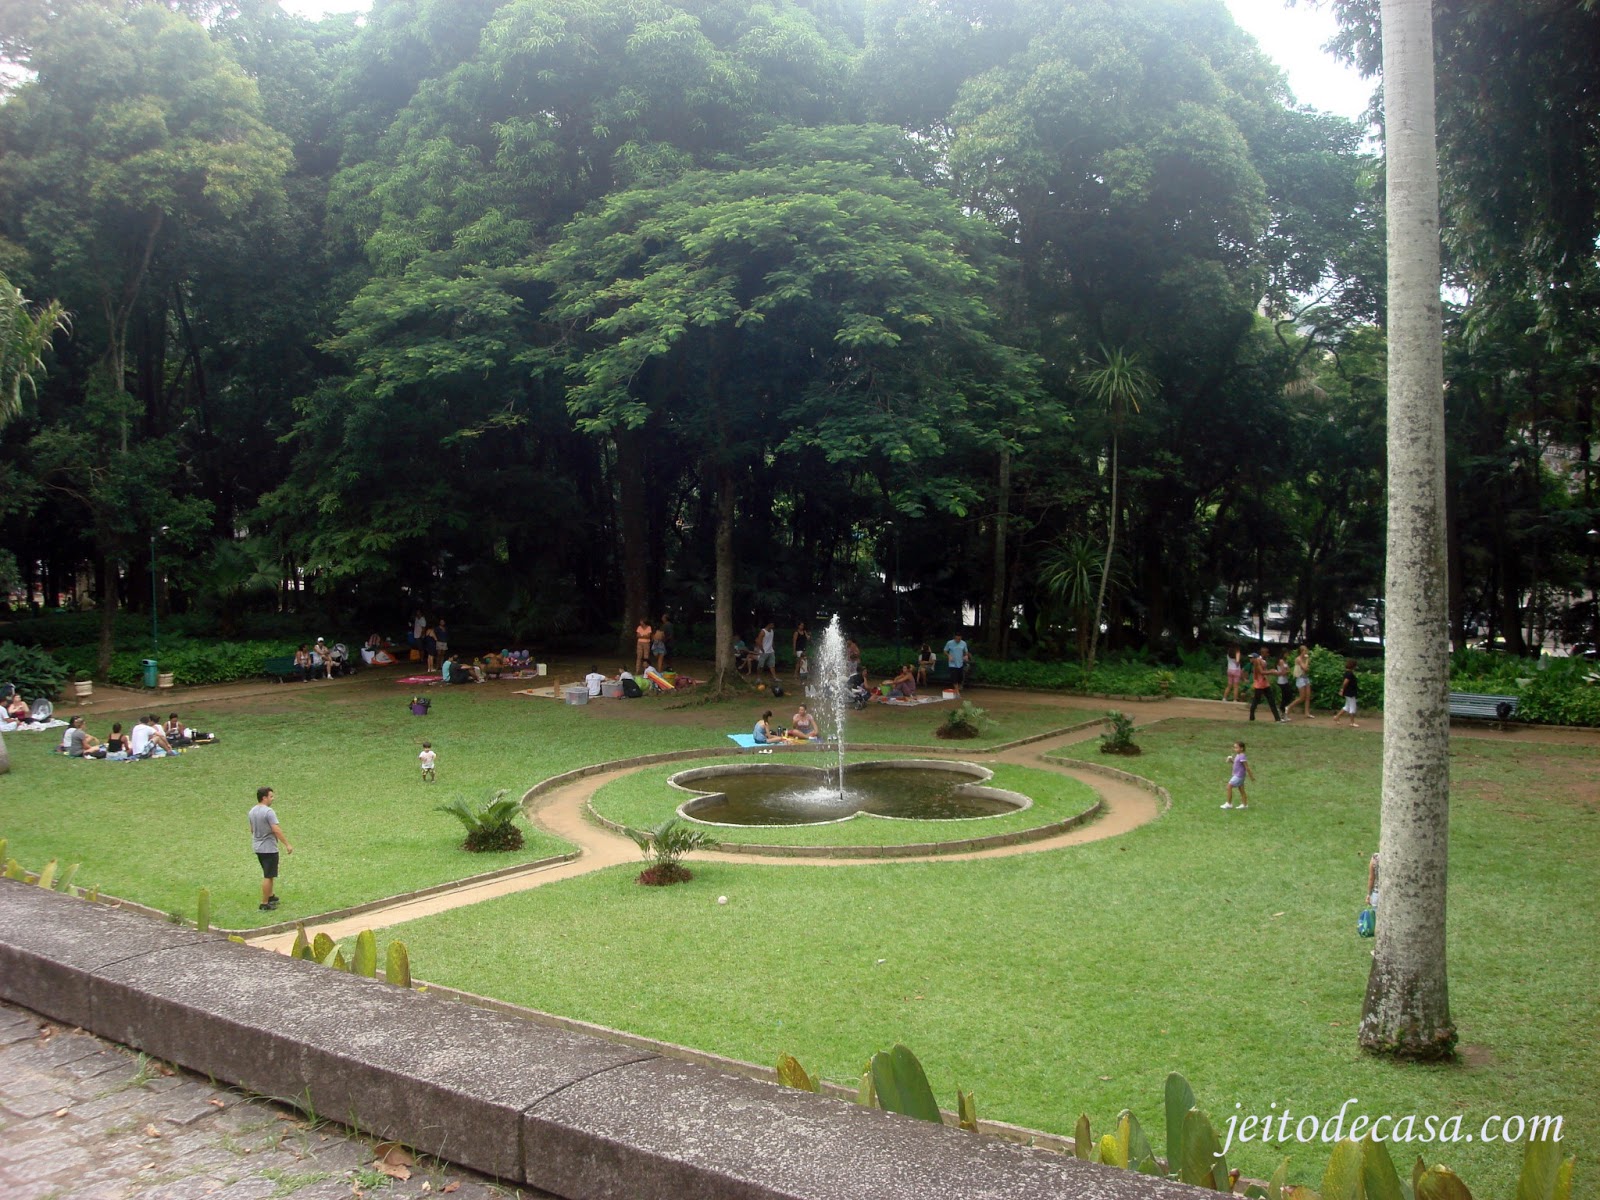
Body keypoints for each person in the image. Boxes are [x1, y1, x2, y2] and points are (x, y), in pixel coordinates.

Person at [249, 786, 293, 911]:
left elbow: (252, 829)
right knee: (268, 875)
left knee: (269, 873)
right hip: (269, 848)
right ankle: (264, 903)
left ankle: (270, 895)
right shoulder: (269, 812)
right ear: (264, 798)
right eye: (271, 796)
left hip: (258, 846)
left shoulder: (252, 811)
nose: (272, 799)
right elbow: (276, 829)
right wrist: (287, 844)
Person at [1247, 648, 1284, 722]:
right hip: (1259, 684)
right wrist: (1272, 672)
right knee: (1256, 700)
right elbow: (1261, 672)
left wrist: (1269, 676)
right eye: (1267, 653)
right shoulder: (1258, 660)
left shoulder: (1263, 661)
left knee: (1271, 700)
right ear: (1263, 653)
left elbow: (1264, 671)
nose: (1268, 654)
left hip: (1265, 683)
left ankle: (1277, 718)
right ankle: (1251, 716)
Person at [1221, 740, 1255, 809]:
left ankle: (1229, 803)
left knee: (1229, 786)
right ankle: (1244, 805)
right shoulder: (1238, 755)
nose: (1235, 749)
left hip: (1239, 775)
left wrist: (1251, 776)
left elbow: (1246, 767)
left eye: (1236, 748)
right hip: (1238, 775)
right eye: (1234, 747)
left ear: (1241, 748)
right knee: (1241, 789)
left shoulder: (1242, 756)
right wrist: (1231, 761)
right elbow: (1237, 764)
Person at [1332, 659, 1360, 727]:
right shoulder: (1349, 674)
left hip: (1348, 692)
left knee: (1347, 706)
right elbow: (1345, 682)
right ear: (1353, 666)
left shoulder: (1347, 673)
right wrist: (1342, 689)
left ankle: (1337, 717)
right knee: (1352, 707)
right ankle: (1352, 722)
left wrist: (1343, 690)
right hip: (1350, 693)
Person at [1293, 645, 1315, 718]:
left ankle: (1307, 712)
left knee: (1308, 696)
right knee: (1302, 697)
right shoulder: (1298, 659)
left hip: (1306, 678)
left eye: (1306, 650)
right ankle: (1289, 707)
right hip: (1300, 678)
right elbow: (1305, 668)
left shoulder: (1304, 659)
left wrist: (1306, 661)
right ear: (1301, 651)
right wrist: (1307, 660)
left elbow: (1307, 669)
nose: (1306, 652)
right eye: (1305, 651)